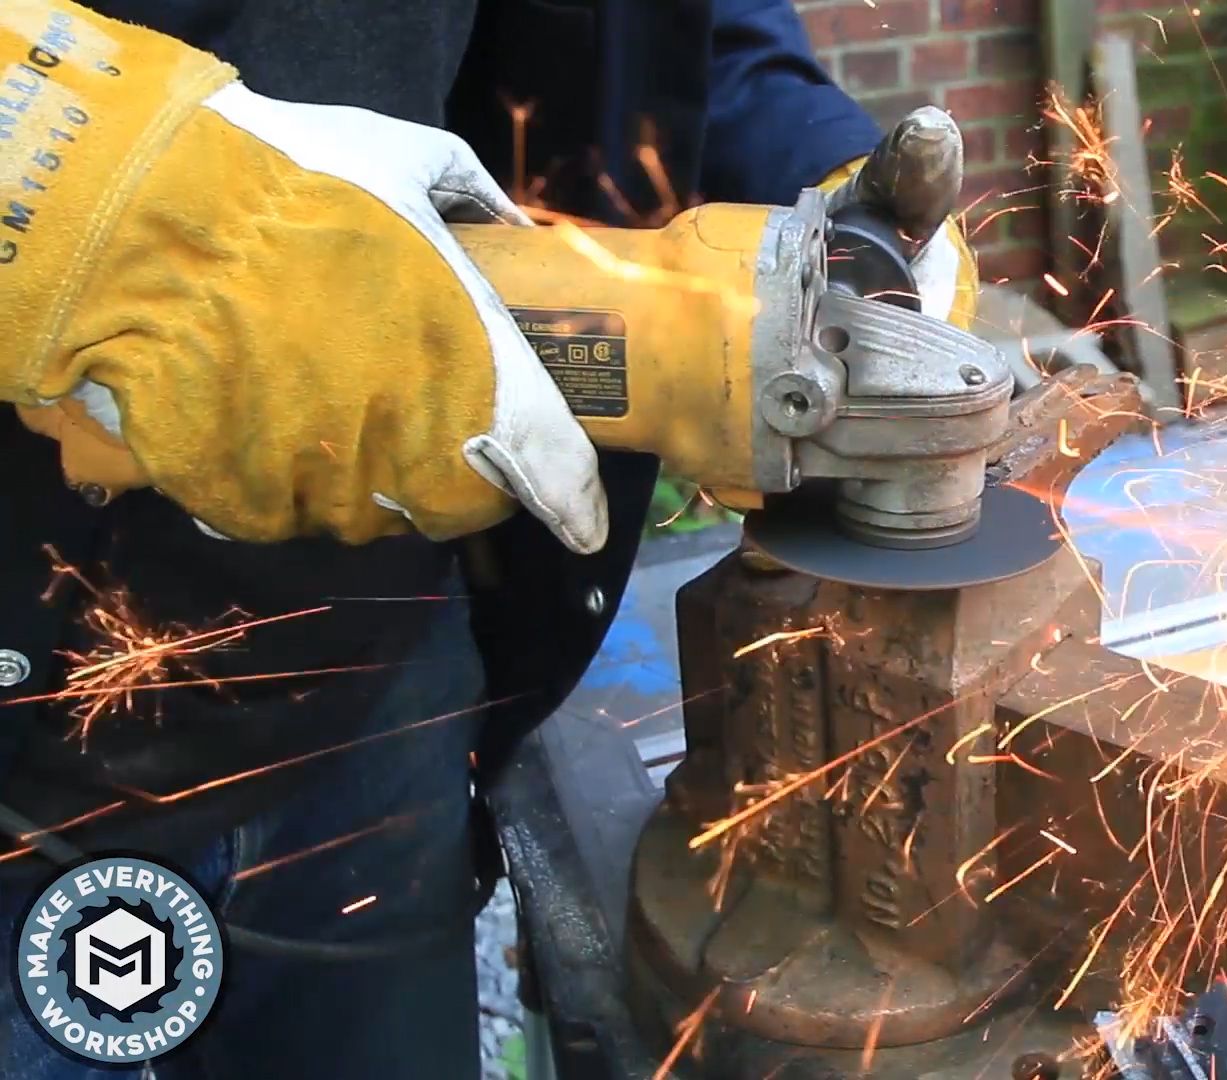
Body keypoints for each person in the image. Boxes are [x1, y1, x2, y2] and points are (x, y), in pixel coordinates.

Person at [0, 1, 977, 1076]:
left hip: (371, 684)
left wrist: (824, 190)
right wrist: (65, 181)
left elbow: (681, 28)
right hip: (35, 714)